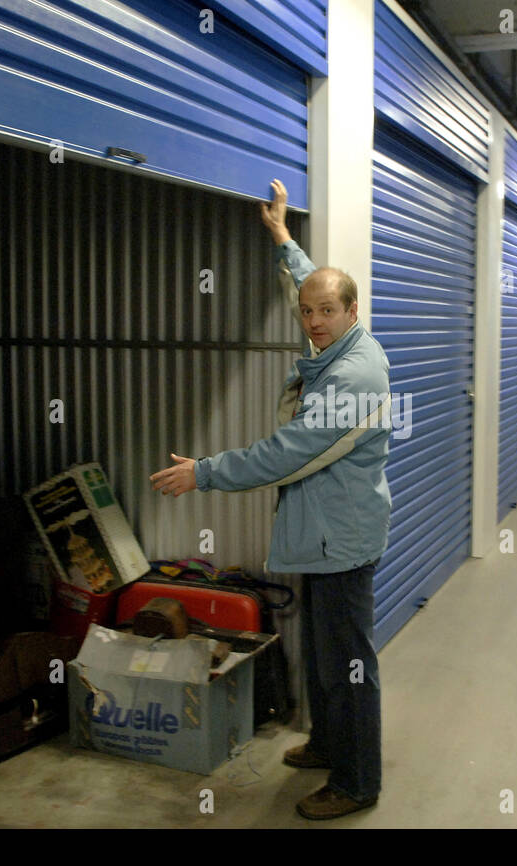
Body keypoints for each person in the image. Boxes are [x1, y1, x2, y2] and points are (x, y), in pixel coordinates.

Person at [149, 179, 391, 820]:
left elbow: (288, 453)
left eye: (324, 314)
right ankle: (331, 744)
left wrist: (204, 472)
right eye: (306, 313)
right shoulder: (332, 333)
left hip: (341, 538)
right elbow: (310, 282)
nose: (311, 322)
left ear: (351, 312)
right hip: (322, 534)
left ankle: (358, 780)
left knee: (348, 666)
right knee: (323, 655)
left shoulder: (354, 376)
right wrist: (284, 237)